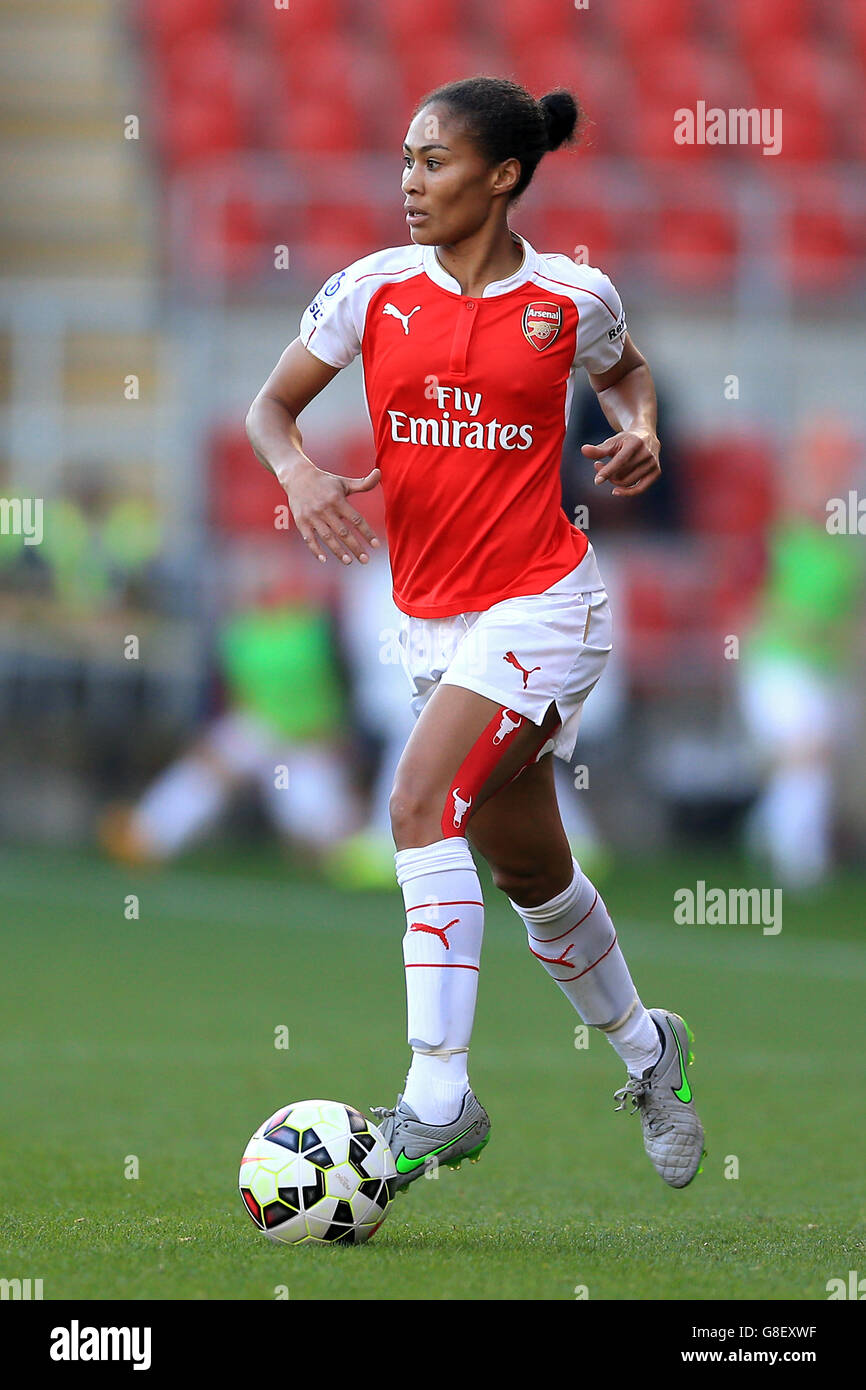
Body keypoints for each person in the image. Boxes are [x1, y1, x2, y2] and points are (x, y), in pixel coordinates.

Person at [246, 77, 705, 1191]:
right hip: (430, 623)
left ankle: (434, 1098)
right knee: (531, 871)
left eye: (433, 160)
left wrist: (635, 426)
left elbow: (627, 372)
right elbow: (271, 408)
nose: (409, 180)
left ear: (501, 175)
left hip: (548, 602)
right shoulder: (369, 291)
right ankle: (652, 1053)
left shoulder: (568, 296)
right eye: (404, 158)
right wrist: (300, 472)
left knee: (415, 803)